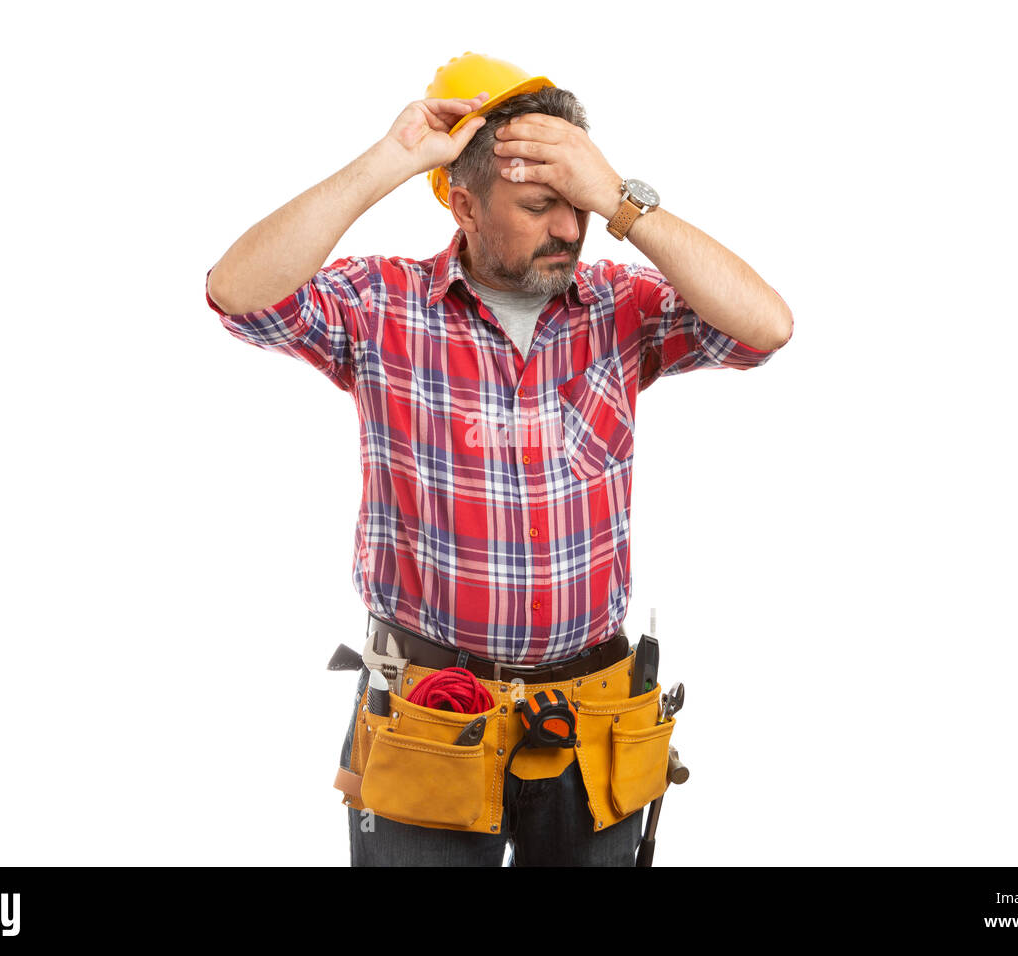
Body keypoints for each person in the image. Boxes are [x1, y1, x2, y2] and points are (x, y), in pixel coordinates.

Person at [205, 59, 793, 866]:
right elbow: (240, 293)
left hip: (593, 720)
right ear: (464, 204)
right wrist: (391, 159)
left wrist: (621, 199)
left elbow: (766, 327)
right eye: (541, 205)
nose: (569, 229)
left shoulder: (621, 307)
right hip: (428, 713)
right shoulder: (384, 304)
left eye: (579, 206)